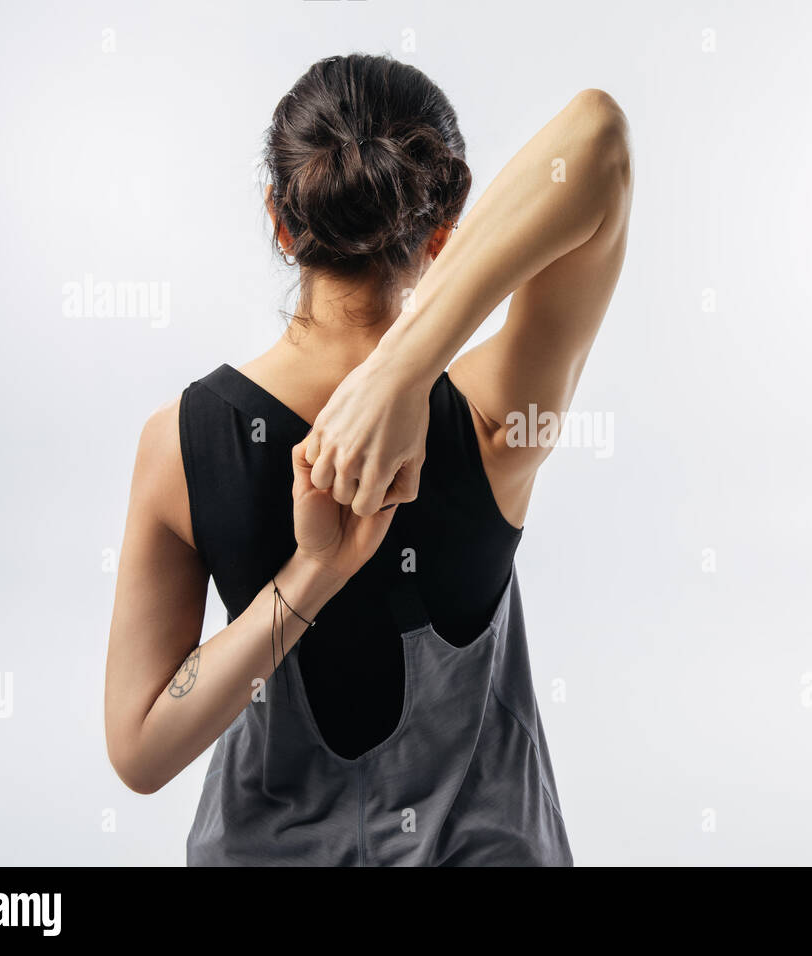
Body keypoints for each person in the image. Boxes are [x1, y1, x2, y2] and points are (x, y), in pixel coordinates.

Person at [103, 53, 632, 866]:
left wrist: (307, 576)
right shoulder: (496, 415)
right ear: (448, 233)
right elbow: (599, 140)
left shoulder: (182, 442)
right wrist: (406, 374)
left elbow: (140, 749)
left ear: (281, 222)